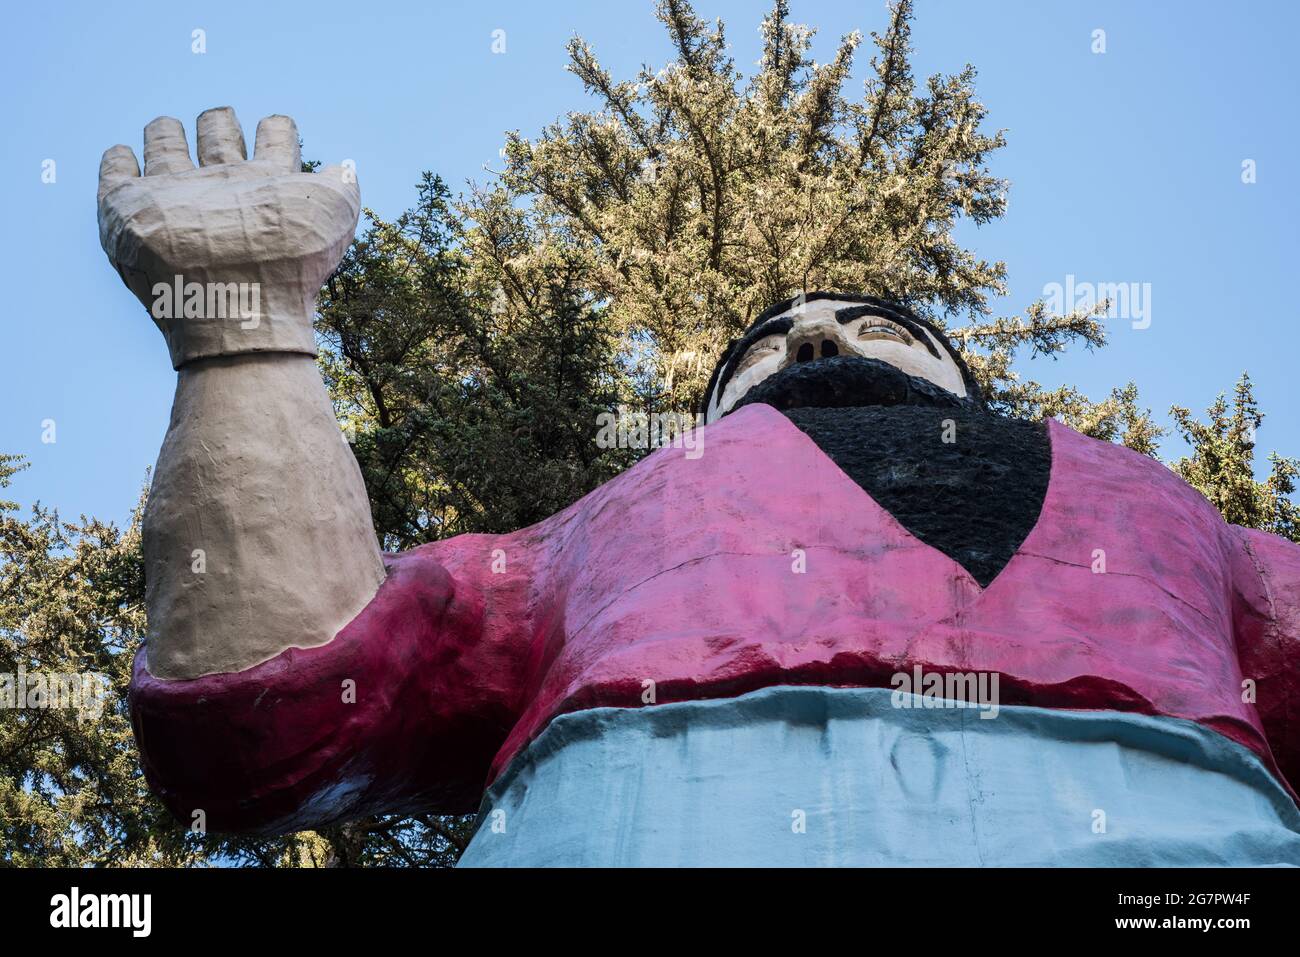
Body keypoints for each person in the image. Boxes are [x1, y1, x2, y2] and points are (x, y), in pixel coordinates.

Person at [102, 109, 1300, 866]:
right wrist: (246, 337)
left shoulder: (1172, 516)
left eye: (872, 325)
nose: (818, 344)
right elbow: (280, 714)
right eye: (767, 344)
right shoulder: (584, 539)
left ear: (958, 373)